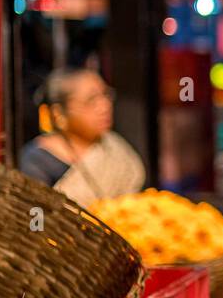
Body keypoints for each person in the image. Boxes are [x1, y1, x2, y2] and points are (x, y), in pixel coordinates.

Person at [19, 68, 145, 207]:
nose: (105, 106)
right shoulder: (36, 161)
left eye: (106, 95)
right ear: (59, 114)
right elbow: (37, 220)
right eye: (91, 100)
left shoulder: (114, 146)